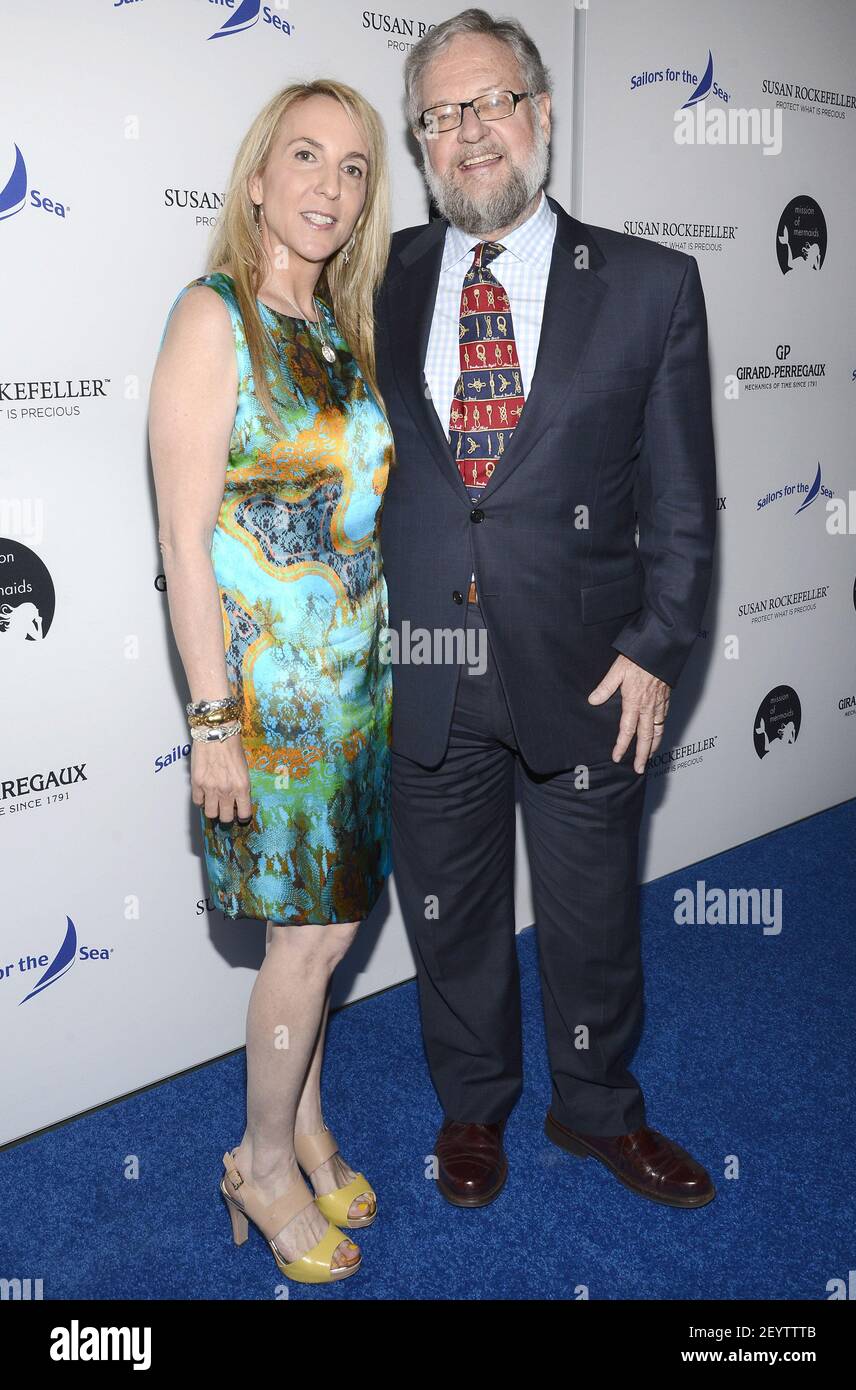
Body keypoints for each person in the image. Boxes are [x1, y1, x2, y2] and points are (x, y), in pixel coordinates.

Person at [375, 8, 718, 1209]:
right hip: (424, 659)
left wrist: (658, 648)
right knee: (451, 912)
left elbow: (682, 502)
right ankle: (472, 1109)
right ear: (421, 143)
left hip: (583, 667)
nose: (471, 131)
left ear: (542, 113)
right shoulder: (384, 277)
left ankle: (596, 1111)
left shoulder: (648, 284)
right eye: (442, 113)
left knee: (590, 918)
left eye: (493, 102)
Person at [148, 80, 393, 1284]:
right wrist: (209, 721)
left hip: (354, 692)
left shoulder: (337, 326)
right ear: (256, 177)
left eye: (352, 169)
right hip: (265, 707)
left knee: (330, 932)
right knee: (307, 939)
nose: (328, 188)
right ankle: (257, 1158)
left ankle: (297, 1116)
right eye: (305, 157)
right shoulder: (215, 318)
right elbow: (183, 542)